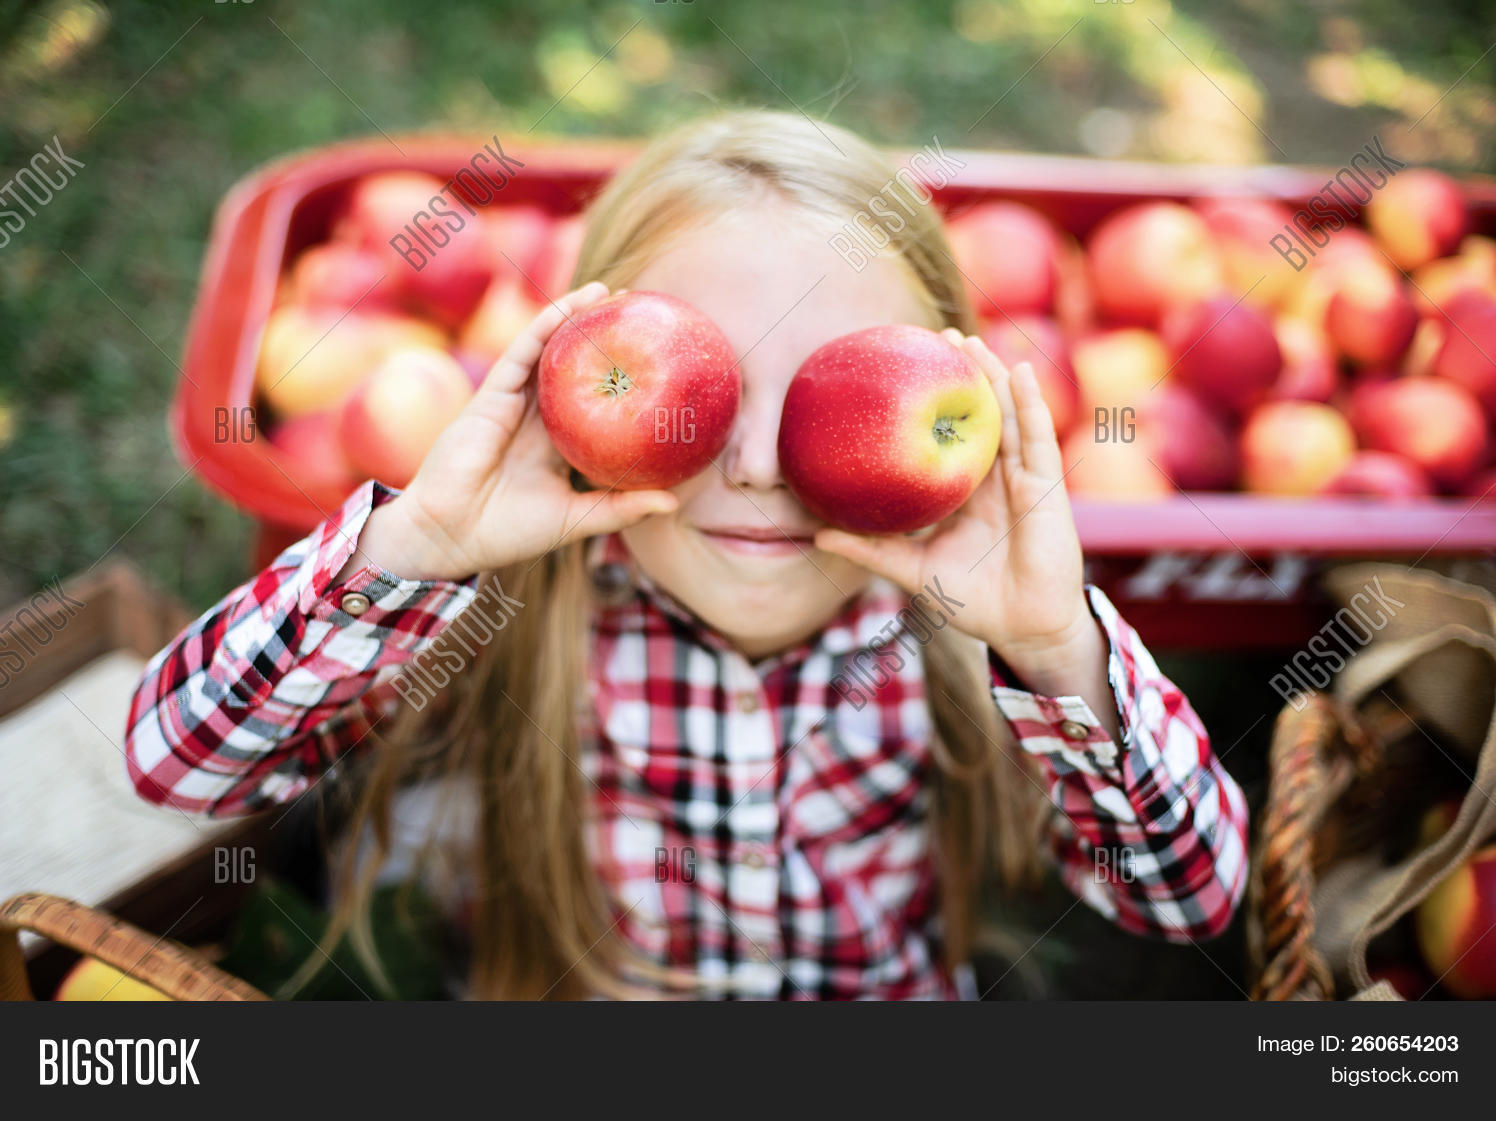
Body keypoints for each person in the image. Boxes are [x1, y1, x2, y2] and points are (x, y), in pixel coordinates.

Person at [125, 109, 1247, 1000]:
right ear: (578, 382)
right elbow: (177, 764)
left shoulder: (962, 650)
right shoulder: (499, 622)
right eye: (703, 394)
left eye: (822, 397)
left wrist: (1058, 650)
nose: (758, 463)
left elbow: (1189, 899)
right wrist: (418, 546)